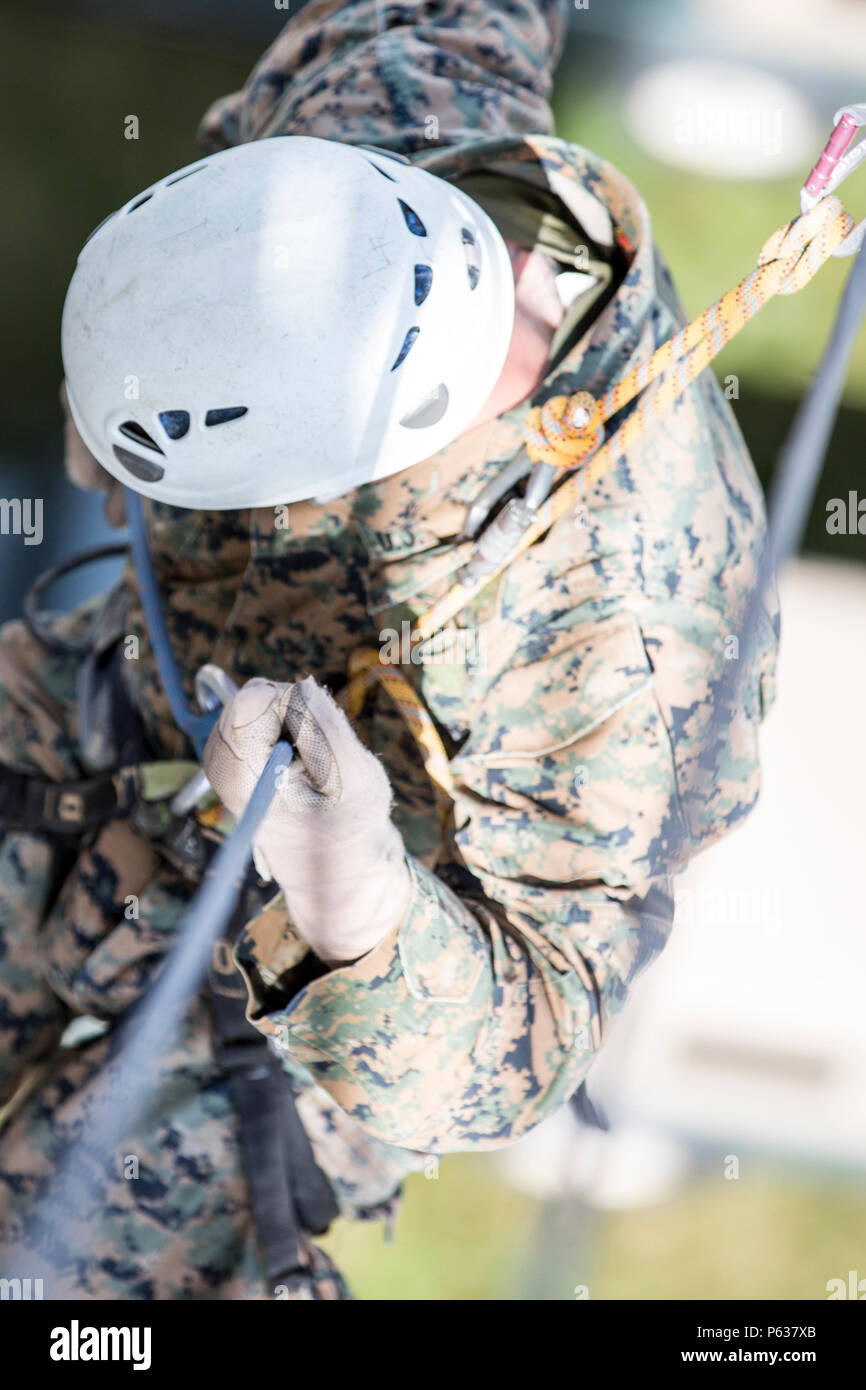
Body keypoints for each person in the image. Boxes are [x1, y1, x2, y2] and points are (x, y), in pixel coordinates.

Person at [0, 0, 778, 1300]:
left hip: (300, 1004)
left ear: (327, 477)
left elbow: (526, 1044)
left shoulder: (624, 652)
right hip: (99, 727)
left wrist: (350, 907)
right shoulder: (384, 117)